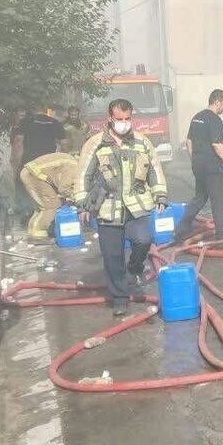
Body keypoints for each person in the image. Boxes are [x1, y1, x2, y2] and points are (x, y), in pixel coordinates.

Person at [75, 99, 168, 316]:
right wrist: (82, 205)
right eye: (119, 119)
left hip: (137, 204)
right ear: (110, 118)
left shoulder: (142, 142)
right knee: (112, 254)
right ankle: (119, 296)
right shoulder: (95, 144)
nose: (124, 123)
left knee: (144, 240)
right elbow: (82, 176)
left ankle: (134, 269)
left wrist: (160, 195)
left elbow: (155, 170)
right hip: (108, 207)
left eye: (128, 119)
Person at [176, 89, 223, 243]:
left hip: (198, 164)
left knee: (200, 197)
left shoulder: (196, 118)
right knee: (219, 201)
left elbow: (189, 142)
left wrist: (195, 160)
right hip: (212, 166)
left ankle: (180, 231)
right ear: (217, 102)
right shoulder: (215, 120)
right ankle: (222, 239)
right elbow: (217, 144)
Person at [19, 151, 78, 243]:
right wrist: (75, 198)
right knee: (52, 206)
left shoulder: (71, 161)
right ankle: (38, 235)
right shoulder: (74, 167)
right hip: (34, 176)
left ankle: (32, 232)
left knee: (41, 208)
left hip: (31, 173)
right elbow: (64, 188)